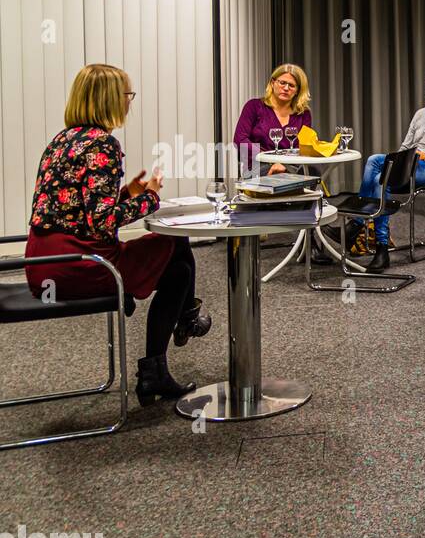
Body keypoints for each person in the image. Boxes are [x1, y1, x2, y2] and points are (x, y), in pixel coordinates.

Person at [25, 64, 209, 403]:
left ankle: (180, 330)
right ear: (110, 99)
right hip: (81, 264)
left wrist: (127, 193)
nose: (129, 102)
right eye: (128, 95)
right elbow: (103, 223)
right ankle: (177, 334)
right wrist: (151, 197)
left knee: (178, 264)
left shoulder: (61, 141)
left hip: (42, 262)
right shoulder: (103, 146)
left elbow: (77, 207)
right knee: (178, 245)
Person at [349, 65, 425, 270]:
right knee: (377, 168)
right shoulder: (421, 114)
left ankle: (357, 225)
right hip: (409, 165)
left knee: (379, 170)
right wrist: (398, 161)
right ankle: (380, 248)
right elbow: (404, 147)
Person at [232, 63, 313, 177]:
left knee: (314, 172)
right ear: (272, 83)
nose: (286, 88)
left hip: (292, 165)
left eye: (291, 85)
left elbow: (304, 146)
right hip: (258, 165)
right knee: (281, 176)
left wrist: (285, 164)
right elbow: (240, 139)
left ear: (298, 91)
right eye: (282, 82)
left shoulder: (303, 113)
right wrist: (270, 161)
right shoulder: (254, 106)